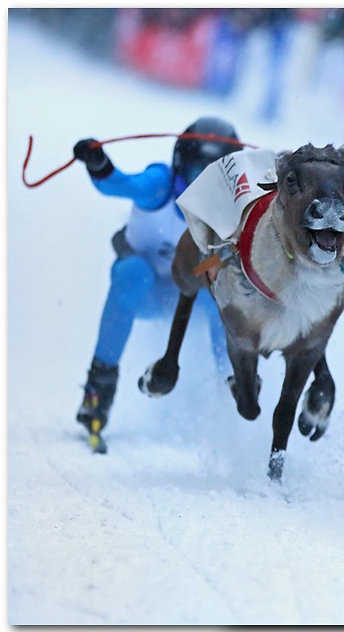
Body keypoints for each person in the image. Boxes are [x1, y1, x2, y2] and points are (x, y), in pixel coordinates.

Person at [73, 116, 243, 454]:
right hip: (146, 294)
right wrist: (99, 163)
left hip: (192, 300)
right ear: (180, 165)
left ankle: (236, 389)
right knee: (133, 272)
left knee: (221, 289)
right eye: (196, 173)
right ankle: (98, 391)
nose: (200, 189)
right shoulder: (160, 186)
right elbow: (119, 184)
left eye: (214, 179)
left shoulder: (233, 210)